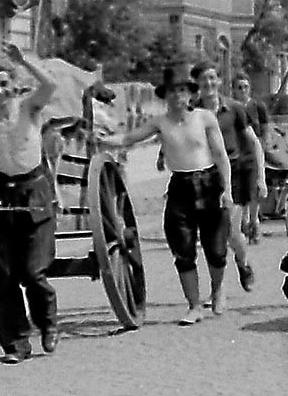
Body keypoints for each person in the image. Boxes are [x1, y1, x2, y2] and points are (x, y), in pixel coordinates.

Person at [99, 63, 233, 324]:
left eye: (182, 91)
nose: (177, 96)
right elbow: (130, 138)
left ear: (190, 94)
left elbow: (220, 155)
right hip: (180, 187)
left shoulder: (205, 118)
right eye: (172, 91)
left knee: (216, 250)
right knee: (182, 248)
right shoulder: (160, 122)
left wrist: (227, 189)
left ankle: (217, 289)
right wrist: (104, 140)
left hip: (209, 183)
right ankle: (194, 305)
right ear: (166, 95)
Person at [0, 44, 59, 364]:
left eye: (4, 84)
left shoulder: (29, 106)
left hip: (34, 191)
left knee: (33, 272)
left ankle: (47, 323)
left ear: (14, 85)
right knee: (1, 275)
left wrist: (24, 61)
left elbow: (50, 86)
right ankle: (16, 344)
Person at [193, 62, 264, 289]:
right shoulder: (191, 111)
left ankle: (243, 263)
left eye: (212, 78)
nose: (208, 84)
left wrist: (261, 177)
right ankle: (217, 288)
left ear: (220, 82)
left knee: (232, 233)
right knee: (209, 237)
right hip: (202, 176)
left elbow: (253, 142)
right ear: (197, 84)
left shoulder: (234, 109)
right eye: (204, 80)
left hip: (232, 175)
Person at [232, 73, 271, 244]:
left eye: (245, 87)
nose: (242, 90)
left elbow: (265, 128)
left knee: (253, 191)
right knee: (240, 193)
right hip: (235, 152)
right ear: (234, 89)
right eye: (239, 87)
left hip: (253, 149)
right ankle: (243, 222)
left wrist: (264, 146)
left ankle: (254, 221)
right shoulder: (230, 107)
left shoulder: (257, 106)